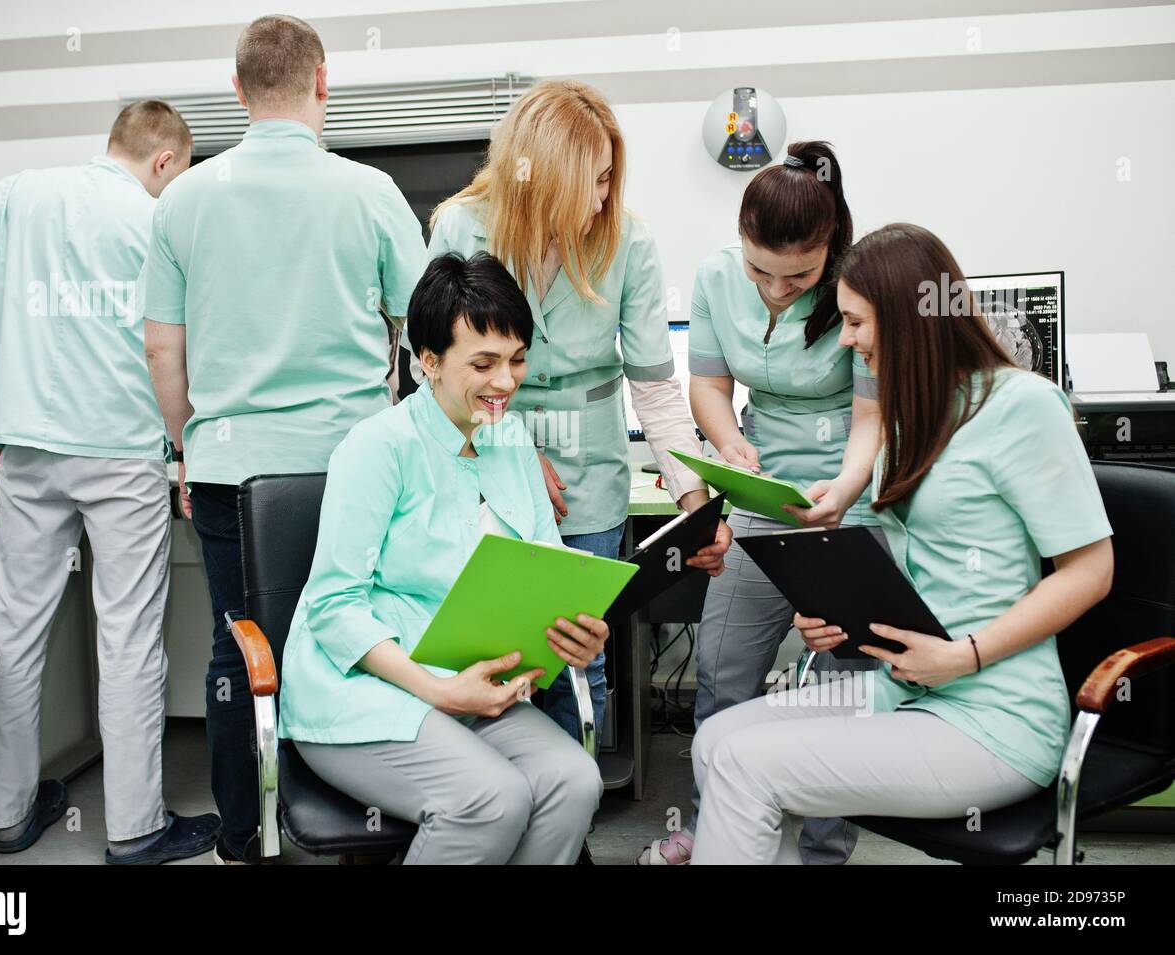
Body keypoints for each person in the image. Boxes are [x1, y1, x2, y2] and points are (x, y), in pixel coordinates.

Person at [690, 223, 1114, 864]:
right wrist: (832, 615)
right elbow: (911, 566)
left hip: (993, 716)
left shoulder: (1024, 407)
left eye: (857, 322)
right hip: (904, 689)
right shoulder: (908, 414)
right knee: (714, 740)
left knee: (746, 766)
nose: (847, 337)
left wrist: (965, 655)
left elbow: (1091, 570)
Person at [140, 15, 428, 863]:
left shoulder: (183, 198)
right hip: (351, 466)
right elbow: (430, 330)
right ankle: (364, 822)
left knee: (242, 646)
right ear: (323, 81)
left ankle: (244, 837)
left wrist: (187, 447)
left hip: (232, 468)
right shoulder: (369, 192)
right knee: (361, 636)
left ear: (237, 92)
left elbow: (163, 346)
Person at [0, 100, 220, 863]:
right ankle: (135, 828)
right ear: (164, 161)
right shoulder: (157, 221)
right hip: (124, 454)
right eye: (178, 175)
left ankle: (7, 815)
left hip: (25, 449)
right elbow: (176, 347)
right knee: (127, 637)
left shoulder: (18, 191)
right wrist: (188, 443)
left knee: (15, 631)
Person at [425, 79, 730, 744]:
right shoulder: (461, 228)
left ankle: (568, 818)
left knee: (576, 661)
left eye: (609, 177)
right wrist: (509, 445)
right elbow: (431, 373)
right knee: (490, 655)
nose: (603, 196)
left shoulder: (627, 240)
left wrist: (693, 499)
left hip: (589, 476)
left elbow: (653, 386)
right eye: (593, 180)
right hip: (481, 461)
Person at [280, 252, 606, 864]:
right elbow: (332, 605)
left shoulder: (510, 440)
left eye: (516, 360)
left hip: (473, 684)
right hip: (365, 689)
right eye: (482, 364)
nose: (506, 383)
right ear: (427, 361)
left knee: (573, 781)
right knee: (491, 799)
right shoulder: (378, 448)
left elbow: (550, 570)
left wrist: (576, 633)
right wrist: (439, 691)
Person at [641, 142, 881, 865]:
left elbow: (873, 417)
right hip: (759, 494)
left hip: (849, 497)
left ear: (831, 247)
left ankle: (823, 850)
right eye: (760, 271)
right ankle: (715, 826)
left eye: (799, 276)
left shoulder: (860, 285)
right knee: (723, 671)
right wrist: (727, 447)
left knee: (844, 687)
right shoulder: (716, 276)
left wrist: (843, 491)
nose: (777, 290)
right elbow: (710, 387)